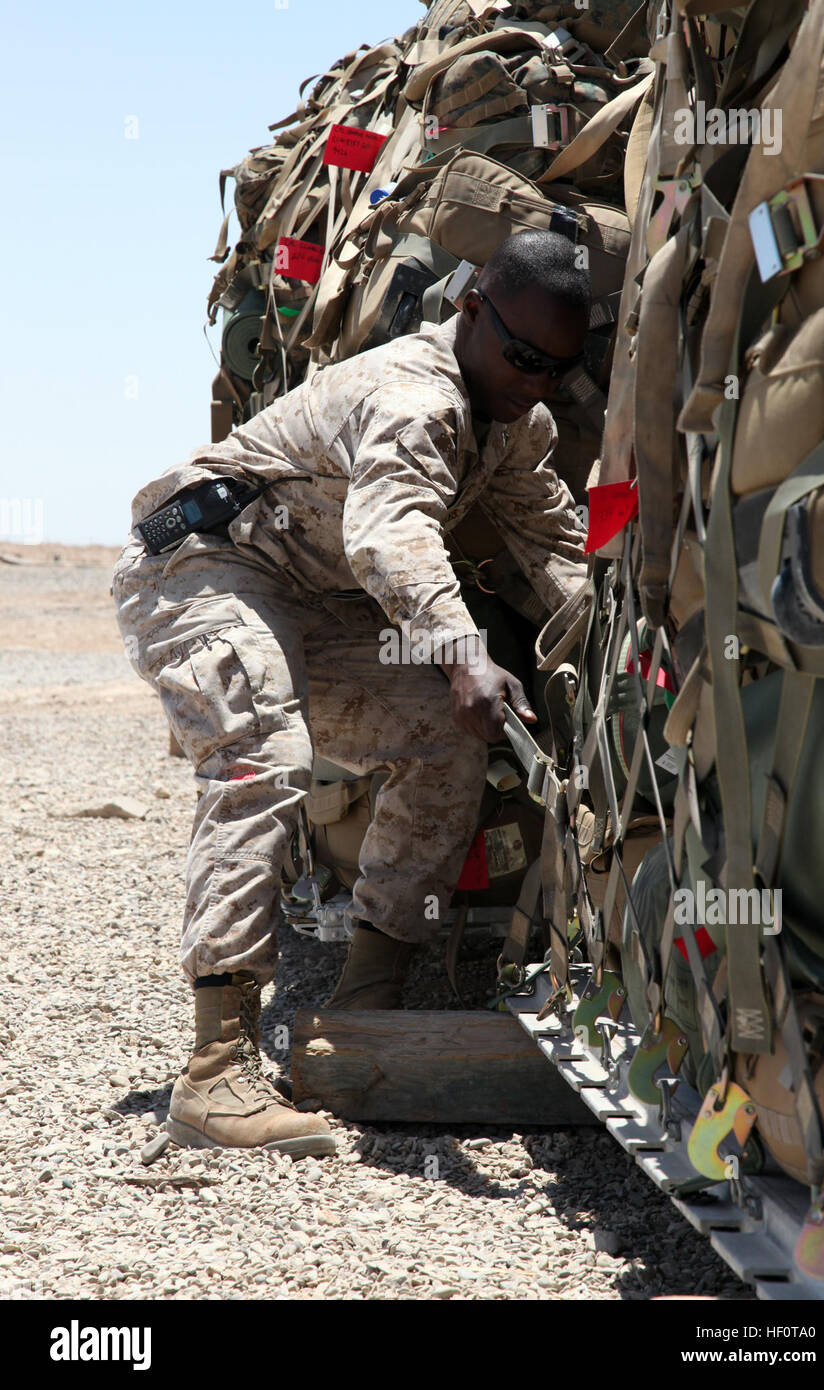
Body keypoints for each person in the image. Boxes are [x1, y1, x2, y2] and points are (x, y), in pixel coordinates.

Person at [113, 228, 593, 1155]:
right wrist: (465, 655)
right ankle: (214, 1074)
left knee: (443, 737)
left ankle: (360, 1006)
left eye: (556, 370)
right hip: (205, 568)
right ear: (470, 311)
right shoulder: (416, 400)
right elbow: (392, 535)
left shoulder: (516, 418)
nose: (534, 380)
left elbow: (557, 548)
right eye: (521, 355)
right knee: (264, 756)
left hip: (309, 594)